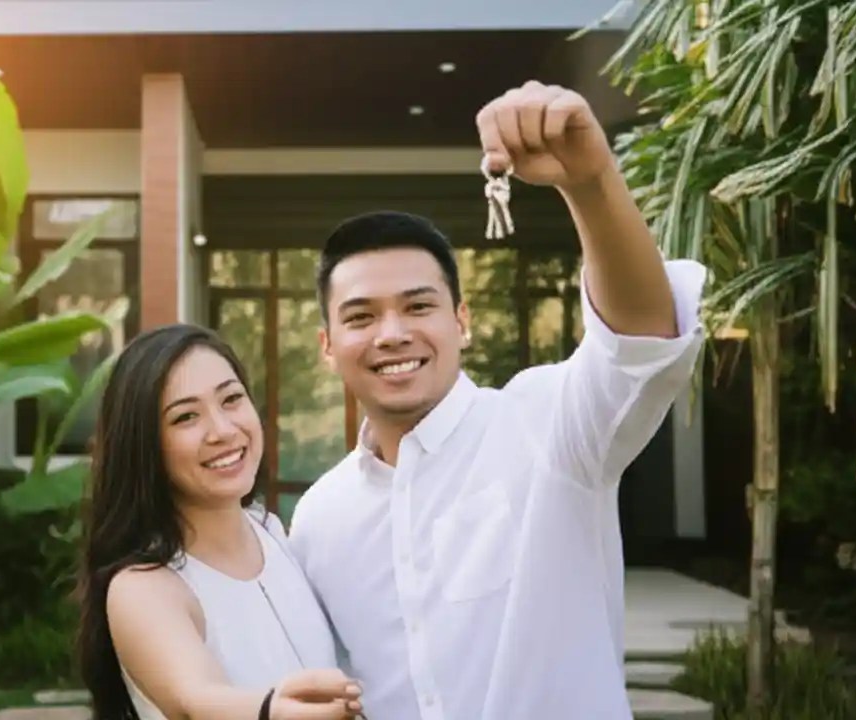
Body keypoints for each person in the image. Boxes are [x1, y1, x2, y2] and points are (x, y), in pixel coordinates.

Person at [287, 81, 707, 719]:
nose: (393, 333)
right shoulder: (319, 520)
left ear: (462, 320)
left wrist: (589, 183)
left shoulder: (545, 424)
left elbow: (640, 341)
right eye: (361, 316)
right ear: (328, 345)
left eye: (418, 306)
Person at [76, 324, 364, 720]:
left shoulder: (272, 532)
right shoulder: (146, 585)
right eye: (186, 417)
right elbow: (196, 698)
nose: (223, 430)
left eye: (231, 399)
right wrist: (270, 710)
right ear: (144, 444)